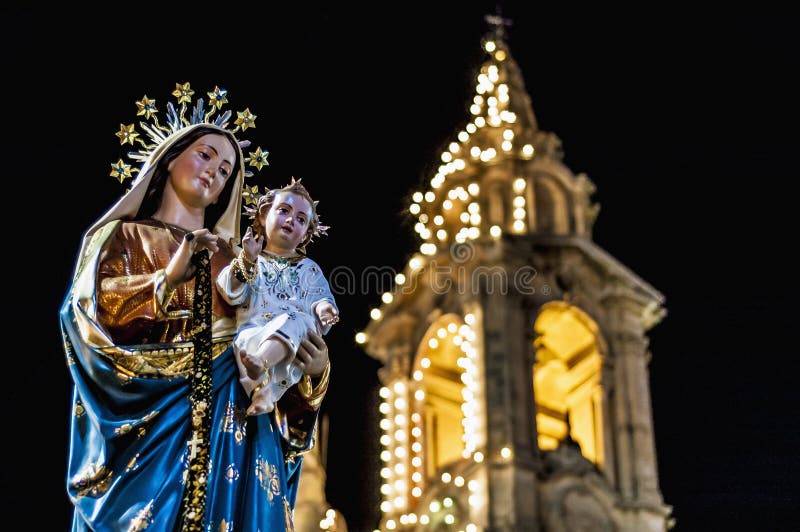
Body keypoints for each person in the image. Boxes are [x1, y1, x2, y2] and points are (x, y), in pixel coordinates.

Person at [59, 87, 331, 531]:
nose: (214, 173)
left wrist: (315, 375)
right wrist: (166, 279)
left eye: (225, 170)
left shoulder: (245, 261)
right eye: (205, 156)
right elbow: (86, 317)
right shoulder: (127, 236)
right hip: (154, 434)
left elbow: (276, 339)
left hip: (241, 427)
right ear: (169, 157)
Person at [217, 180, 339, 416]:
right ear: (263, 216)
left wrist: (325, 309)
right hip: (253, 335)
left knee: (294, 319)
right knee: (248, 343)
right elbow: (229, 291)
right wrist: (247, 261)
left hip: (291, 345)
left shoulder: (308, 268)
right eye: (284, 210)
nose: (291, 219)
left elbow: (320, 295)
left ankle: (261, 366)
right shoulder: (251, 258)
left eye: (302, 219)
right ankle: (261, 394)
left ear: (305, 236)